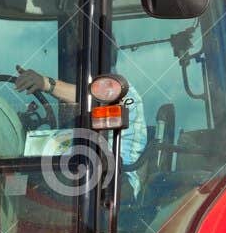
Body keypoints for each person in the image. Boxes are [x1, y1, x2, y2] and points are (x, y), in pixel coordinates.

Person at [12, 67, 149, 182]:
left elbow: (88, 97)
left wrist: (46, 83)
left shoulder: (122, 90)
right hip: (79, 169)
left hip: (118, 180)